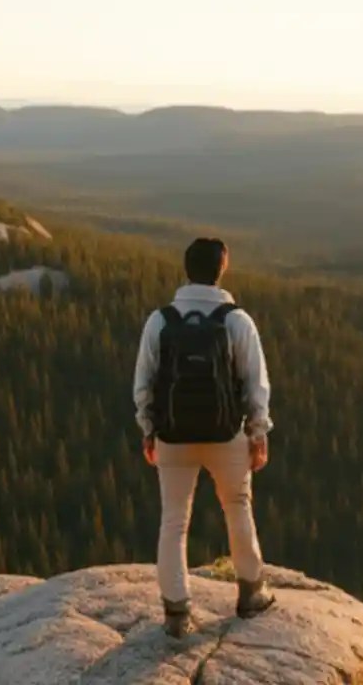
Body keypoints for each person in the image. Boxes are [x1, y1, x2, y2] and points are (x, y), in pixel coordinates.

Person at [133, 237, 276, 638]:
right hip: (226, 434)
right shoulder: (236, 320)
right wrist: (257, 433)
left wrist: (149, 430)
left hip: (172, 435)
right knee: (237, 505)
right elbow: (255, 386)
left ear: (186, 269)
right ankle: (251, 593)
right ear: (222, 269)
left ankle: (177, 613)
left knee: (174, 520)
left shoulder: (160, 320)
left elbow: (143, 385)